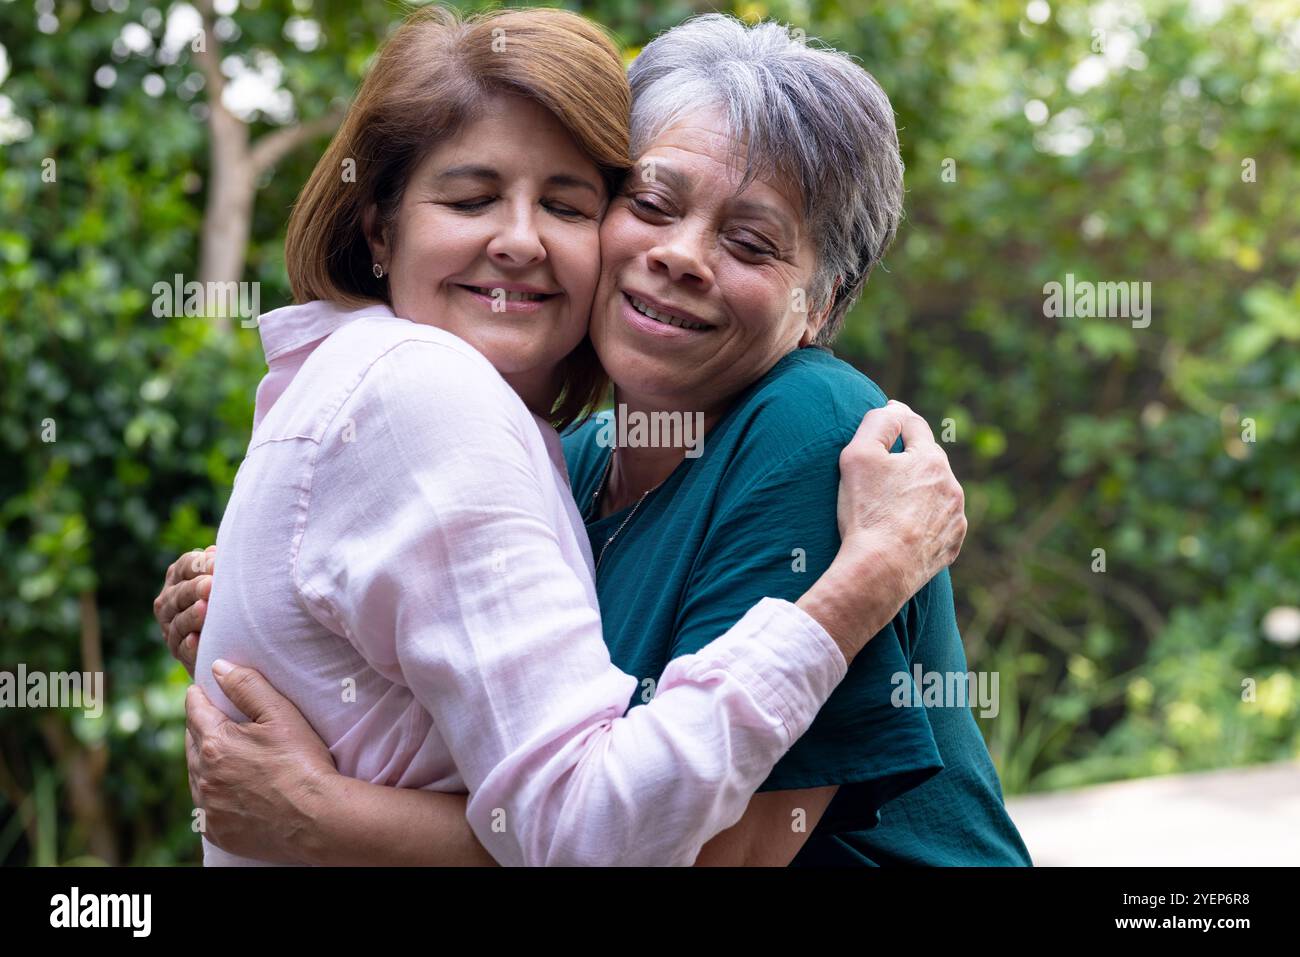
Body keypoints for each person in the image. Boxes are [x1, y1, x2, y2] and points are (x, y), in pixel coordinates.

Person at [156, 6, 969, 867]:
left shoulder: (813, 430)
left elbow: (716, 855)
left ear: (825, 303)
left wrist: (327, 817)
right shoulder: (568, 460)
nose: (682, 255)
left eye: (751, 240)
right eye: (652, 203)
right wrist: (296, 600)